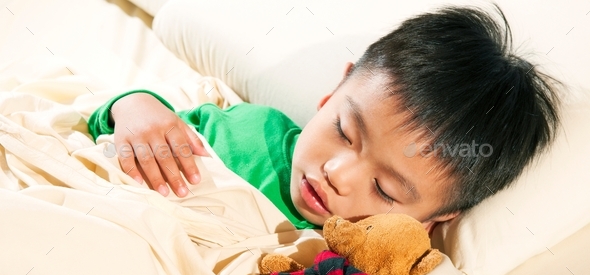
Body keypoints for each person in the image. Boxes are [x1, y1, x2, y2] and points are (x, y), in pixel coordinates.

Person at [88, 5, 560, 234]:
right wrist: (131, 107)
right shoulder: (253, 128)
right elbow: (105, 135)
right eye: (344, 132)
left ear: (434, 219)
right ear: (334, 93)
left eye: (386, 190)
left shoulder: (363, 261)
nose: (337, 174)